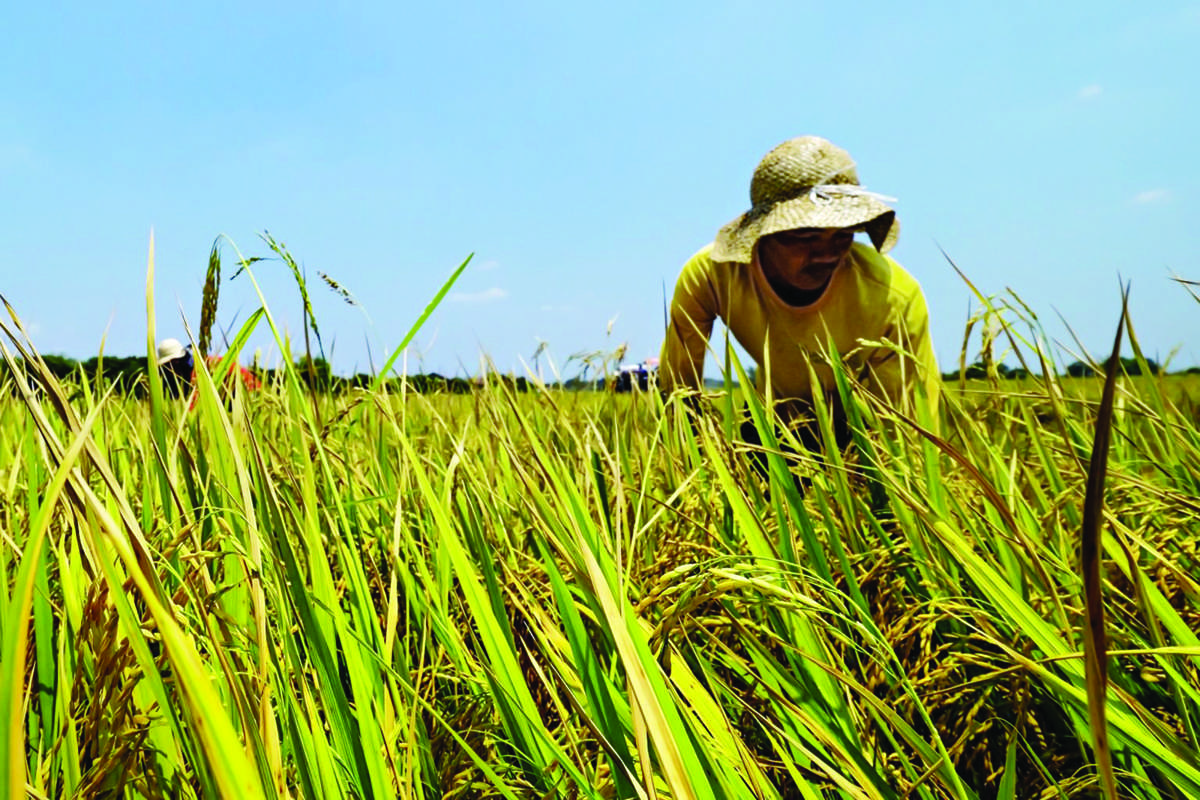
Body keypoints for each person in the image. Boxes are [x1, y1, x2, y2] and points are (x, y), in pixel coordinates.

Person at [659, 135, 940, 462]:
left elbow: (908, 441)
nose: (826, 253)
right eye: (805, 235)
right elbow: (679, 393)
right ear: (762, 234)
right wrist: (699, 473)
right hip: (773, 421)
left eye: (842, 234)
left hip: (860, 428)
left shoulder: (893, 297)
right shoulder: (713, 276)